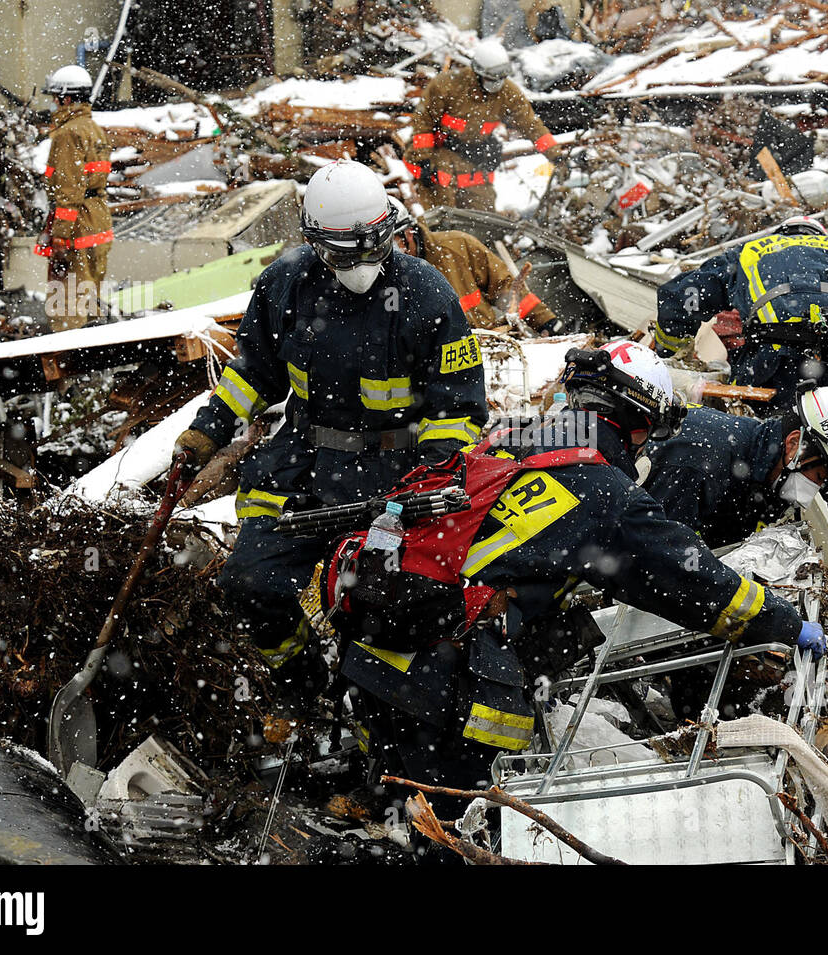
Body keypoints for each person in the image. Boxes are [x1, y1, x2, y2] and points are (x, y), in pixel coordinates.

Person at [329, 340, 825, 795]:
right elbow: (695, 582)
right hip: (437, 682)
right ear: (637, 421)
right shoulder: (601, 490)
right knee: (458, 817)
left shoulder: (517, 437)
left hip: (379, 648)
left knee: (398, 802)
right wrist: (784, 622)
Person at [173, 160, 488, 691]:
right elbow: (252, 374)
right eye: (346, 253)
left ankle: (364, 700)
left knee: (376, 601)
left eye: (375, 245)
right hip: (301, 463)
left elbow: (456, 409)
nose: (363, 264)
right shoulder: (286, 286)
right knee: (250, 587)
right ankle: (304, 689)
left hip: (395, 469)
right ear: (315, 241)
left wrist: (428, 481)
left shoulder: (427, 294)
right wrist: (208, 430)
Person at [653, 215, 828, 411]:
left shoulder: (749, 252)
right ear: (821, 235)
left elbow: (682, 295)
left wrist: (668, 349)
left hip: (773, 368)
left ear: (781, 234)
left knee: (773, 451)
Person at [644, 388, 828, 547]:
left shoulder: (760, 462)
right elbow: (660, 558)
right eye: (817, 477)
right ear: (794, 444)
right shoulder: (702, 465)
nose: (811, 492)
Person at [403, 39, 563, 213]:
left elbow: (531, 125)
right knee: (442, 210)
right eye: (491, 79)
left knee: (483, 213)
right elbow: (423, 123)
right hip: (437, 153)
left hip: (472, 156)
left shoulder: (507, 92)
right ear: (477, 72)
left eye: (501, 78)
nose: (497, 84)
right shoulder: (447, 86)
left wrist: (555, 155)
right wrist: (424, 159)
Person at [389, 197, 561, 334]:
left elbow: (504, 287)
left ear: (408, 233)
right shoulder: (380, 276)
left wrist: (545, 321)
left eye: (392, 243)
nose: (386, 253)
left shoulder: (456, 246)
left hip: (486, 347)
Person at [33, 65, 113, 331]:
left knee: (66, 304)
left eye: (56, 98)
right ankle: (93, 360)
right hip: (97, 219)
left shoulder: (68, 133)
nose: (54, 104)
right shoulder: (94, 129)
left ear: (67, 98)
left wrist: (60, 235)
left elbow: (69, 188)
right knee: (89, 296)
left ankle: (69, 360)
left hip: (76, 224)